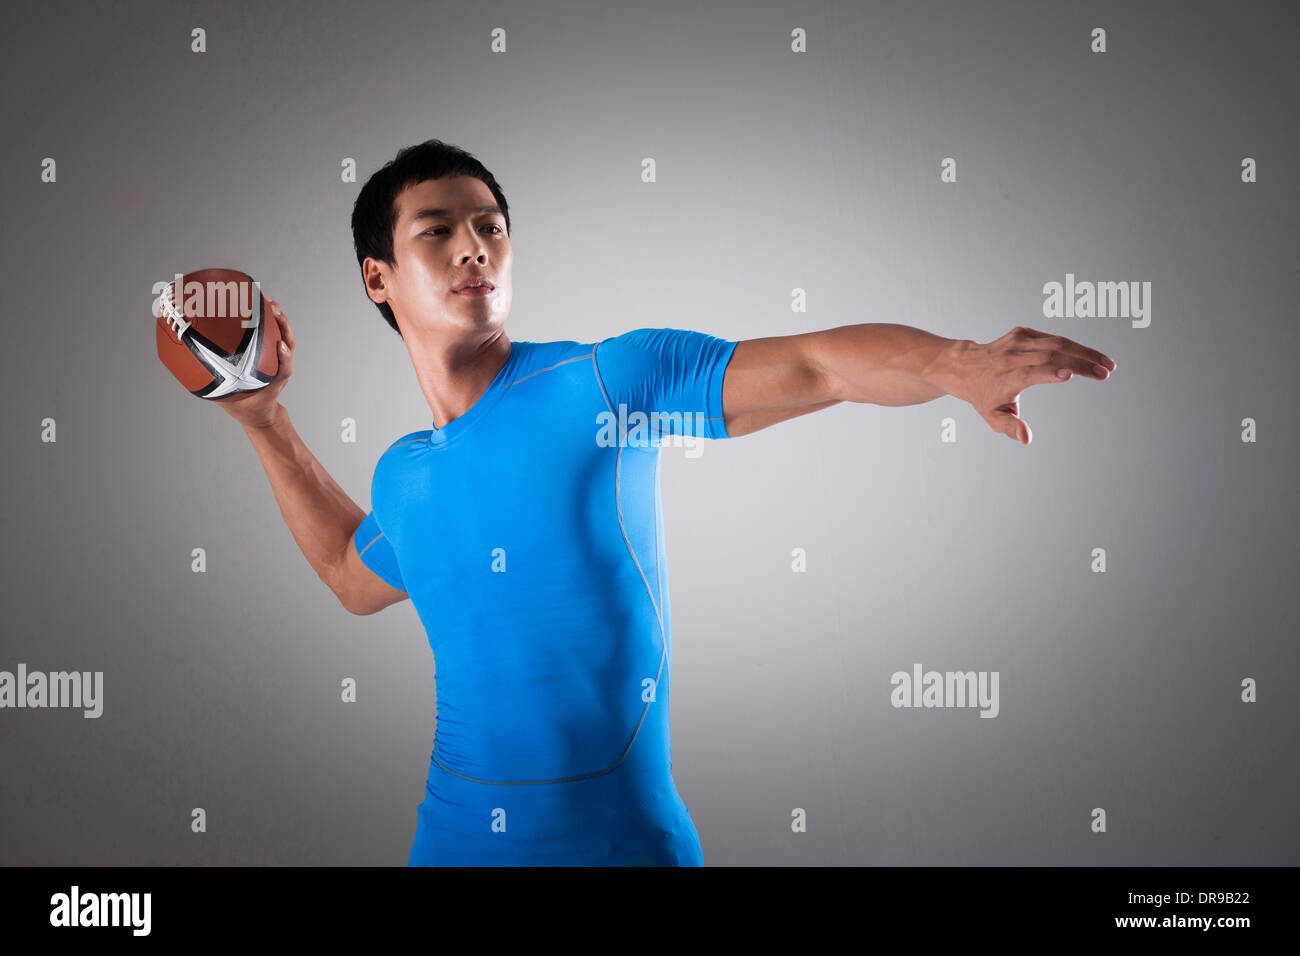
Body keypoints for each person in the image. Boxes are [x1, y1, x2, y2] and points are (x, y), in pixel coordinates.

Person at [220, 139, 1117, 866]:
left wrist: (958, 365)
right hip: (452, 843)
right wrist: (263, 420)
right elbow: (349, 573)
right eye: (438, 230)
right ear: (378, 278)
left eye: (491, 226)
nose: (474, 247)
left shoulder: (603, 383)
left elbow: (815, 363)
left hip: (620, 849)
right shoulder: (404, 474)